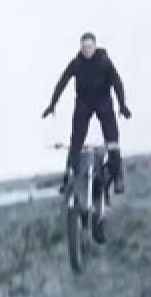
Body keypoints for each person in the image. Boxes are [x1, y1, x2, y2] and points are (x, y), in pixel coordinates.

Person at [42, 31, 131, 194]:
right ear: (81, 48)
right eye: (84, 47)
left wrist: (122, 105)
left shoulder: (104, 62)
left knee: (112, 140)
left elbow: (117, 83)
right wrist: (52, 104)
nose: (87, 50)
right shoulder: (76, 63)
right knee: (76, 141)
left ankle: (117, 177)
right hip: (84, 103)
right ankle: (69, 178)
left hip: (103, 102)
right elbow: (62, 81)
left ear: (95, 46)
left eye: (89, 47)